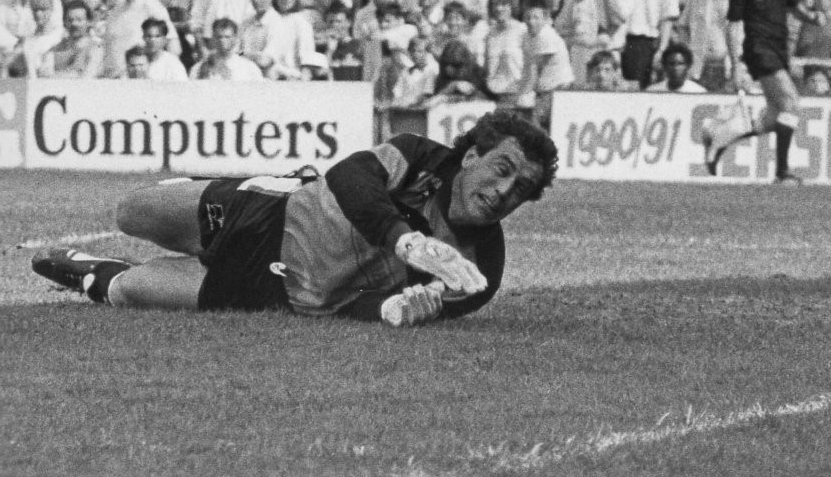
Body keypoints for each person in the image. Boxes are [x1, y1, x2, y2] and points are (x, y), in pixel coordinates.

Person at [30, 112, 557, 328]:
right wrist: (406, 242)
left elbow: (362, 304)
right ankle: (228, 182)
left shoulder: (478, 269)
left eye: (522, 189)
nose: (505, 191)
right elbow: (351, 177)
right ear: (472, 157)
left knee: (129, 291)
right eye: (503, 169)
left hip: (282, 289)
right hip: (269, 212)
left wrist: (396, 310)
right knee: (131, 211)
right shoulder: (422, 155)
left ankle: (89, 270)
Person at [704, 0, 803, 184]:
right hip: (759, 50)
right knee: (791, 102)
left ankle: (722, 134)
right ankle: (782, 173)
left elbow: (794, 5)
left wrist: (814, 16)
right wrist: (737, 64)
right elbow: (733, 24)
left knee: (774, 116)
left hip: (780, 49)